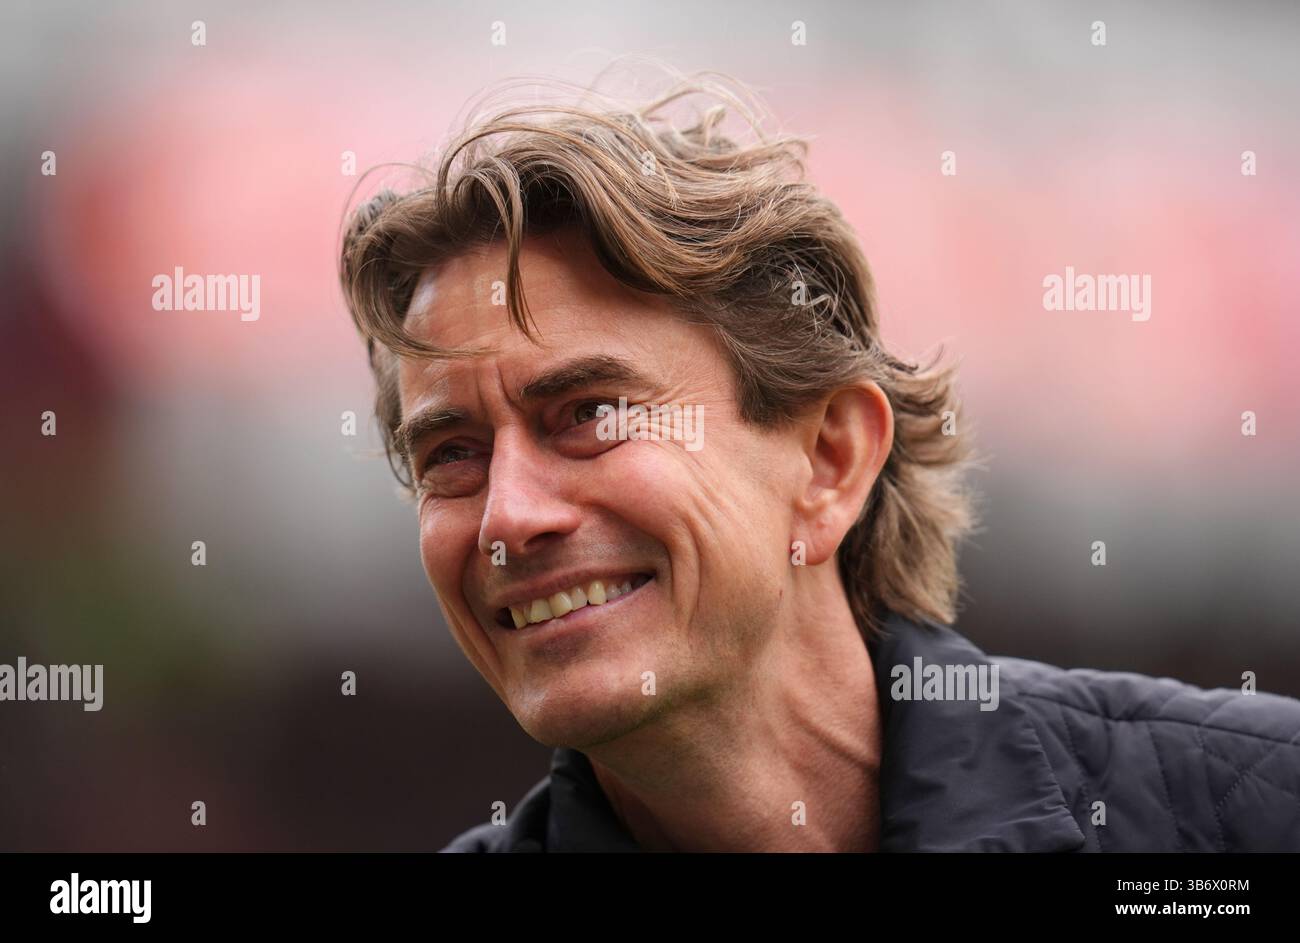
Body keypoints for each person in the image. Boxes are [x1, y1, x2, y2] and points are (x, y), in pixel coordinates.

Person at [338, 74, 1300, 852]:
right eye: (452, 454)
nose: (508, 518)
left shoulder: (1246, 812)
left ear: (831, 459)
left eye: (588, 414)